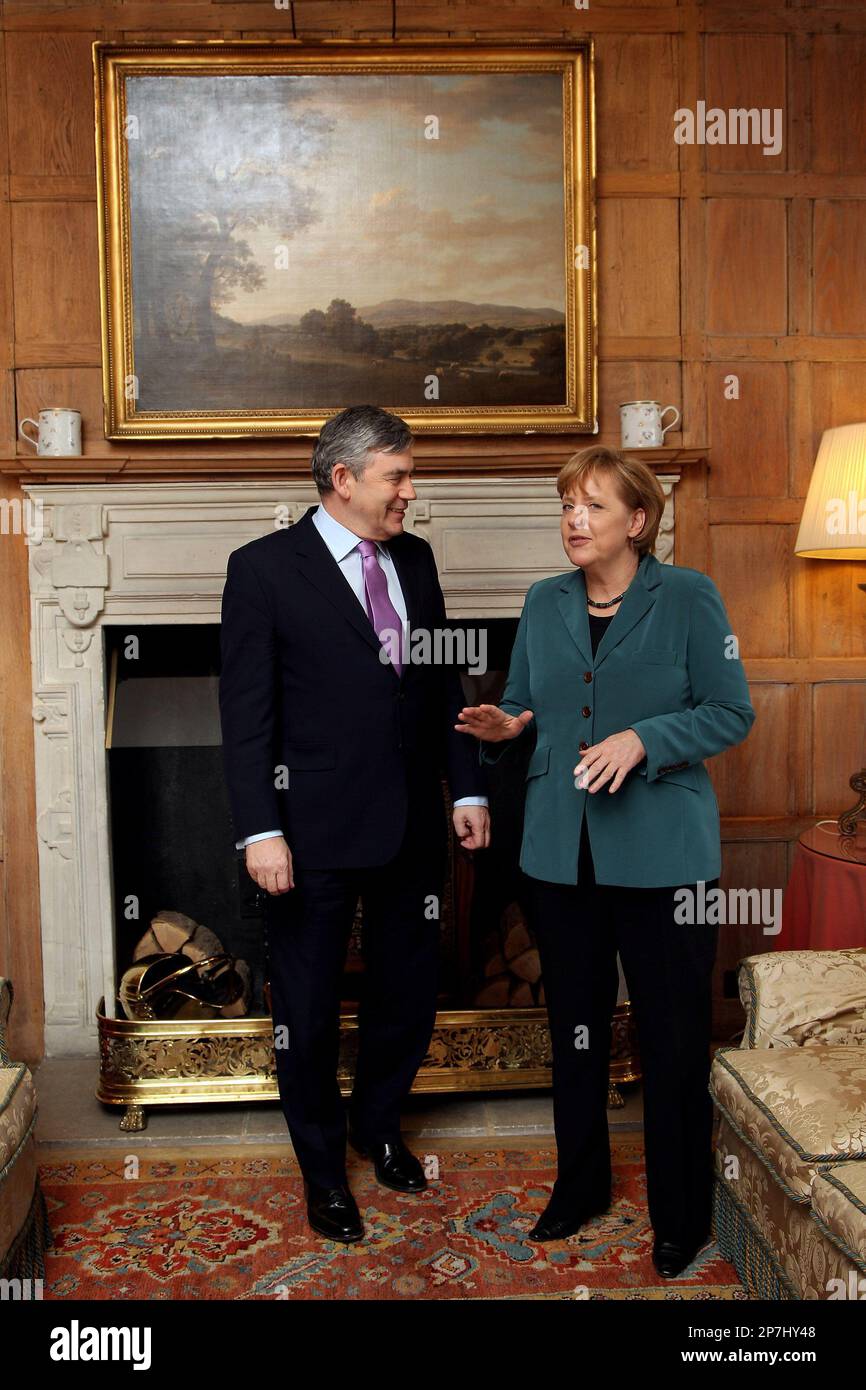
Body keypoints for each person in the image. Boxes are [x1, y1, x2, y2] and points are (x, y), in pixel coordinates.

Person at [455, 445, 755, 1278]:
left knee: (672, 1037)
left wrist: (643, 739)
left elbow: (731, 712)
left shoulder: (689, 596)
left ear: (639, 520)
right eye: (565, 507)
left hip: (664, 854)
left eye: (590, 506)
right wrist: (508, 724)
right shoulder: (544, 600)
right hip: (561, 853)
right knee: (574, 1032)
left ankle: (681, 1213)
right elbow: (525, 698)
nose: (573, 522)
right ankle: (580, 1185)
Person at [219, 405, 489, 1243]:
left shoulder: (416, 558)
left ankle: (379, 1128)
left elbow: (445, 682)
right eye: (397, 477)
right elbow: (246, 716)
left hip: (411, 824)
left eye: (410, 475)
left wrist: (468, 790)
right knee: (304, 1003)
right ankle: (325, 1169)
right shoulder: (263, 570)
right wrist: (260, 830)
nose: (411, 492)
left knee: (406, 992)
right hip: (309, 831)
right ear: (343, 479)